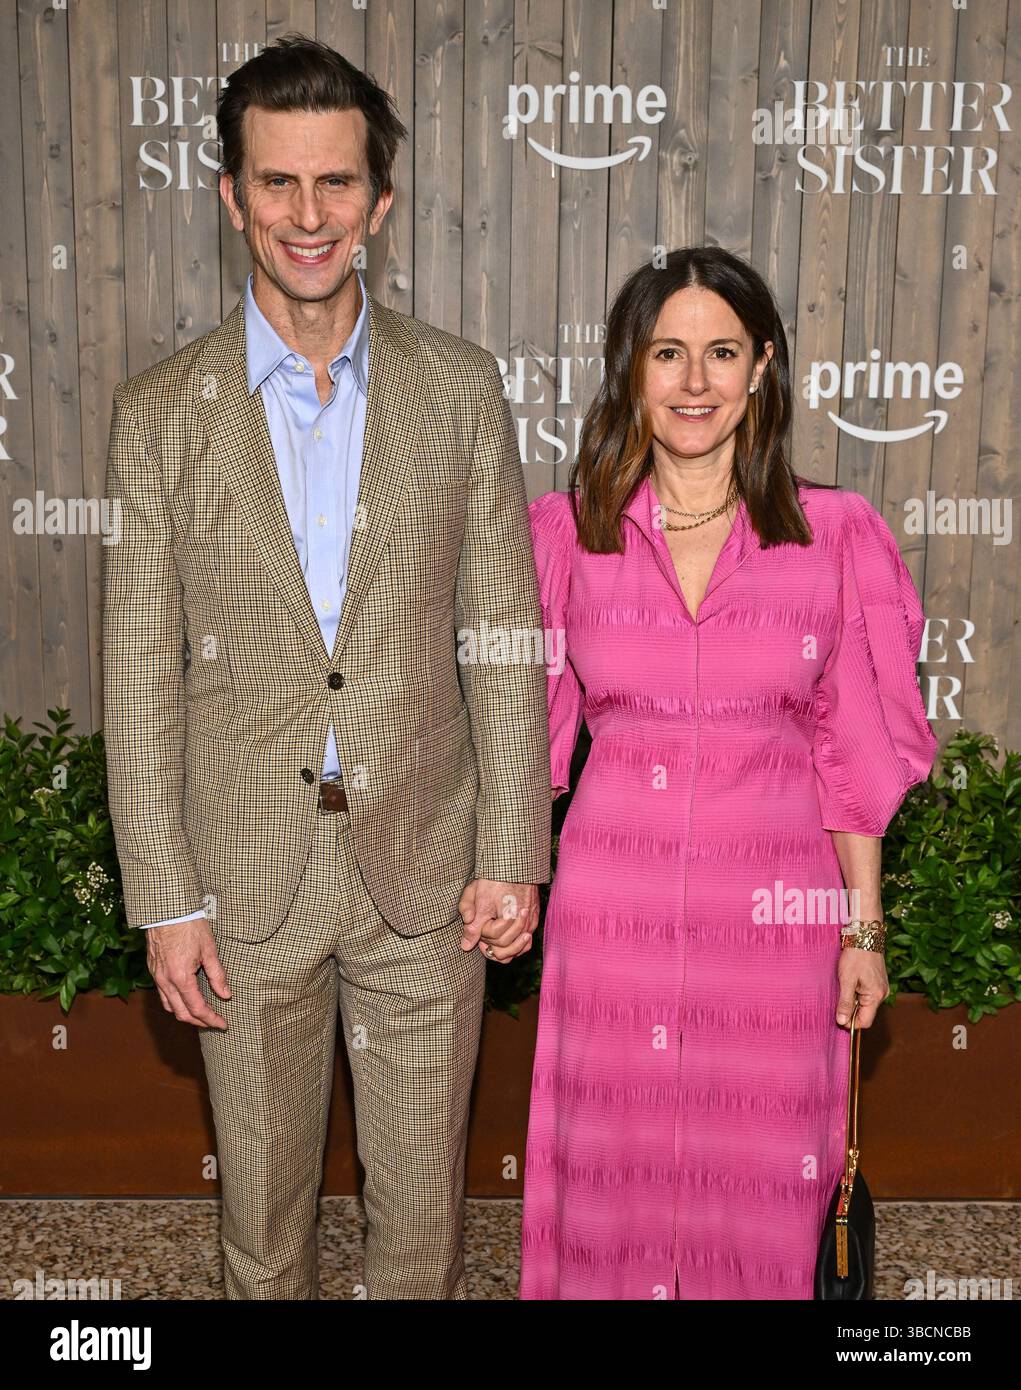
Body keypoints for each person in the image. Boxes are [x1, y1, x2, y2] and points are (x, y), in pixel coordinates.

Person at [102, 34, 547, 1300]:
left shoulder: (459, 390)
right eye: (279, 183)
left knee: (420, 1229)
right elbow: (139, 672)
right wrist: (164, 895)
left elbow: (501, 636)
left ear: (380, 201)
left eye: (337, 183)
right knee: (262, 1222)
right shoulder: (159, 414)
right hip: (243, 881)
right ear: (233, 196)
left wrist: (512, 843)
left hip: (426, 868)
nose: (310, 215)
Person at [520, 246, 938, 1300]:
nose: (694, 381)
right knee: (611, 1169)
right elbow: (523, 742)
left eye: (721, 353)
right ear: (631, 370)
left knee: (763, 1178)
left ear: (762, 369)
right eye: (668, 354)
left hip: (774, 924)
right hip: (610, 923)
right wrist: (502, 874)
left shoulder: (835, 537)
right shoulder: (566, 538)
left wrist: (863, 928)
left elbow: (851, 752)